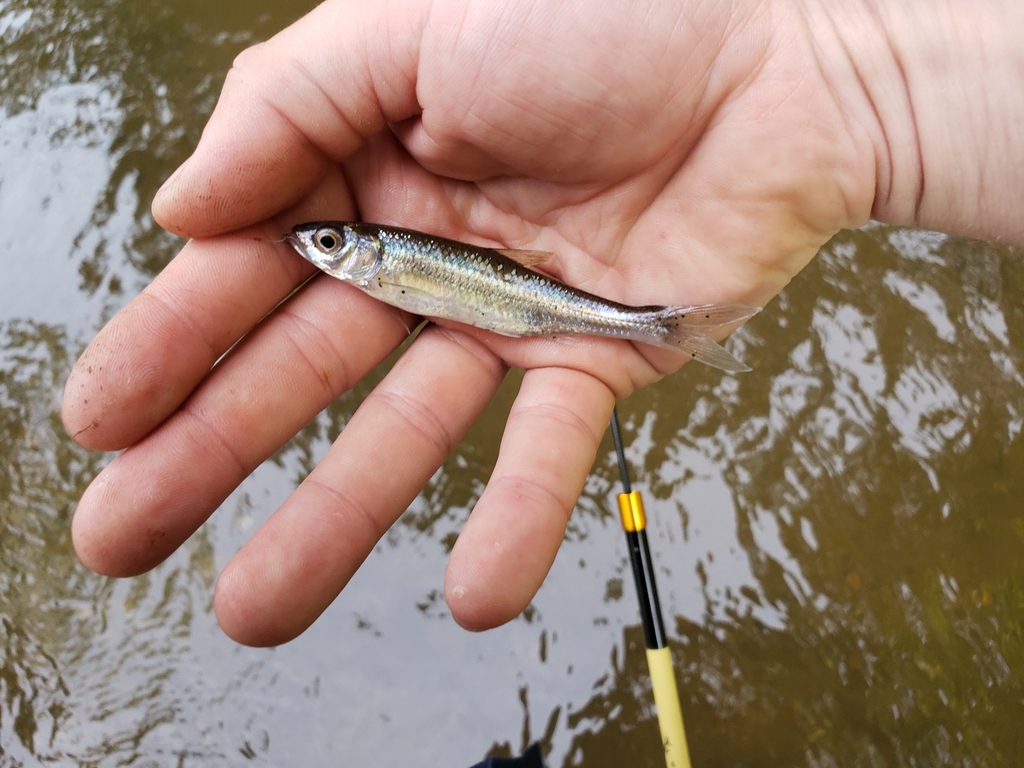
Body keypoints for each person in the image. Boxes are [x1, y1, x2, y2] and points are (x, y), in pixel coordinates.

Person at [61, 0, 1023, 647]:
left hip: (533, 291)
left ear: (359, 252)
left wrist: (834, 73)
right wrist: (851, 75)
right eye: (323, 250)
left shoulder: (385, 256)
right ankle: (656, 323)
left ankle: (660, 323)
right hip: (531, 287)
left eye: (328, 248)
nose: (321, 254)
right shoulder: (378, 258)